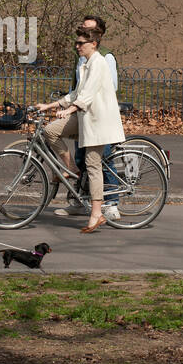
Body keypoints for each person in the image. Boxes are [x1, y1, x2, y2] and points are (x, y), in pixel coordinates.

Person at [35, 26, 125, 233]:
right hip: (85, 117)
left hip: (98, 121)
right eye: (76, 43)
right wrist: (51, 106)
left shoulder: (99, 63)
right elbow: (76, 93)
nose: (77, 46)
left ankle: (96, 214)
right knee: (50, 131)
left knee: (92, 163)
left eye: (80, 43)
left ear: (93, 44)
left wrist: (70, 111)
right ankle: (71, 169)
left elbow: (88, 94)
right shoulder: (86, 63)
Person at [56, 15, 120, 220]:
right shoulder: (82, 57)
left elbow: (108, 86)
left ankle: (111, 204)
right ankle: (80, 199)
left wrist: (73, 106)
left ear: (97, 36)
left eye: (88, 30)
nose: (81, 38)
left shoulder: (105, 58)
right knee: (80, 158)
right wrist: (65, 103)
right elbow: (78, 87)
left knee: (102, 161)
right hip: (83, 114)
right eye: (83, 29)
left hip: (98, 116)